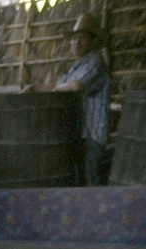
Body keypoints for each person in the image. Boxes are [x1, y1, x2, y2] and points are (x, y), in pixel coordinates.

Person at [41, 13, 111, 186]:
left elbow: (77, 86)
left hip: (93, 134)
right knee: (79, 180)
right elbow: (62, 84)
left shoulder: (95, 62)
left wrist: (57, 88)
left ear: (93, 41)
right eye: (73, 39)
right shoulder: (76, 66)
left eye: (82, 39)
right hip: (80, 132)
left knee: (93, 180)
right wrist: (34, 87)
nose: (76, 43)